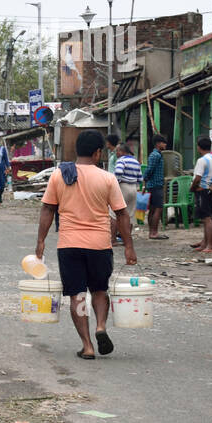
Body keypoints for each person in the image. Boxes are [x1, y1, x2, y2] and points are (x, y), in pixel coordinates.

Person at [35, 129, 137, 359]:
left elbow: (48, 209)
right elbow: (122, 215)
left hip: (69, 244)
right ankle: (101, 325)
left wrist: (40, 241)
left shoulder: (59, 175)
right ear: (98, 152)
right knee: (99, 290)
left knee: (77, 295)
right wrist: (129, 246)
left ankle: (88, 345)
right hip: (100, 244)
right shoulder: (107, 178)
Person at [190, 136, 212, 253]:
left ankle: (209, 246)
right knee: (210, 218)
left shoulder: (201, 160)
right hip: (210, 191)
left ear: (199, 147)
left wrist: (192, 187)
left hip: (202, 190)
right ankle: (206, 243)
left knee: (207, 219)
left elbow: (198, 177)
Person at [113, 143, 144, 242]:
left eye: (117, 151)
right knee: (130, 214)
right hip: (133, 189)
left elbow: (118, 172)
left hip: (123, 187)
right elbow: (140, 178)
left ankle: (112, 239)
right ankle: (126, 239)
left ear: (121, 151)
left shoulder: (121, 160)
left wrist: (116, 182)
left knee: (113, 214)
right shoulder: (135, 161)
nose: (116, 153)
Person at [144, 135, 169, 239]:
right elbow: (150, 170)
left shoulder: (156, 154)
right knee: (158, 209)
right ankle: (154, 233)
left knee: (153, 209)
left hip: (152, 185)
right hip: (155, 185)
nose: (165, 145)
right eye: (163, 143)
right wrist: (145, 179)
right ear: (158, 144)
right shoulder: (156, 155)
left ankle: (151, 232)